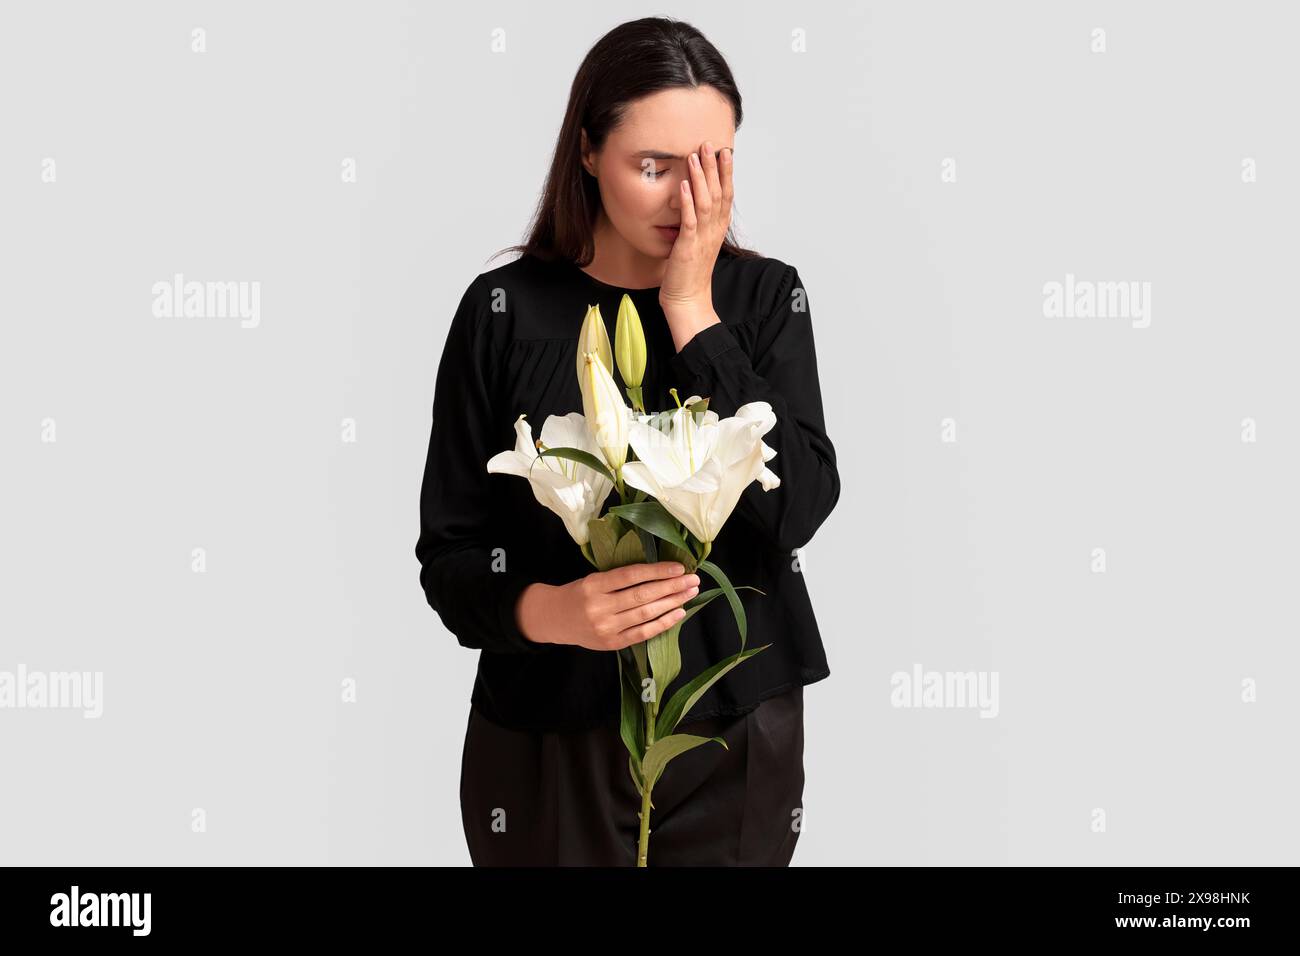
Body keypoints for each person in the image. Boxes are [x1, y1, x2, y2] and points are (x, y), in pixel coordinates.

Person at [415, 17, 840, 866]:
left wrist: (692, 311)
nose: (690, 200)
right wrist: (552, 613)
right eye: (653, 167)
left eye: (713, 164)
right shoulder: (503, 313)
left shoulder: (760, 301)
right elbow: (453, 556)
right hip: (544, 741)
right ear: (586, 153)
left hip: (732, 736)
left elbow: (797, 508)